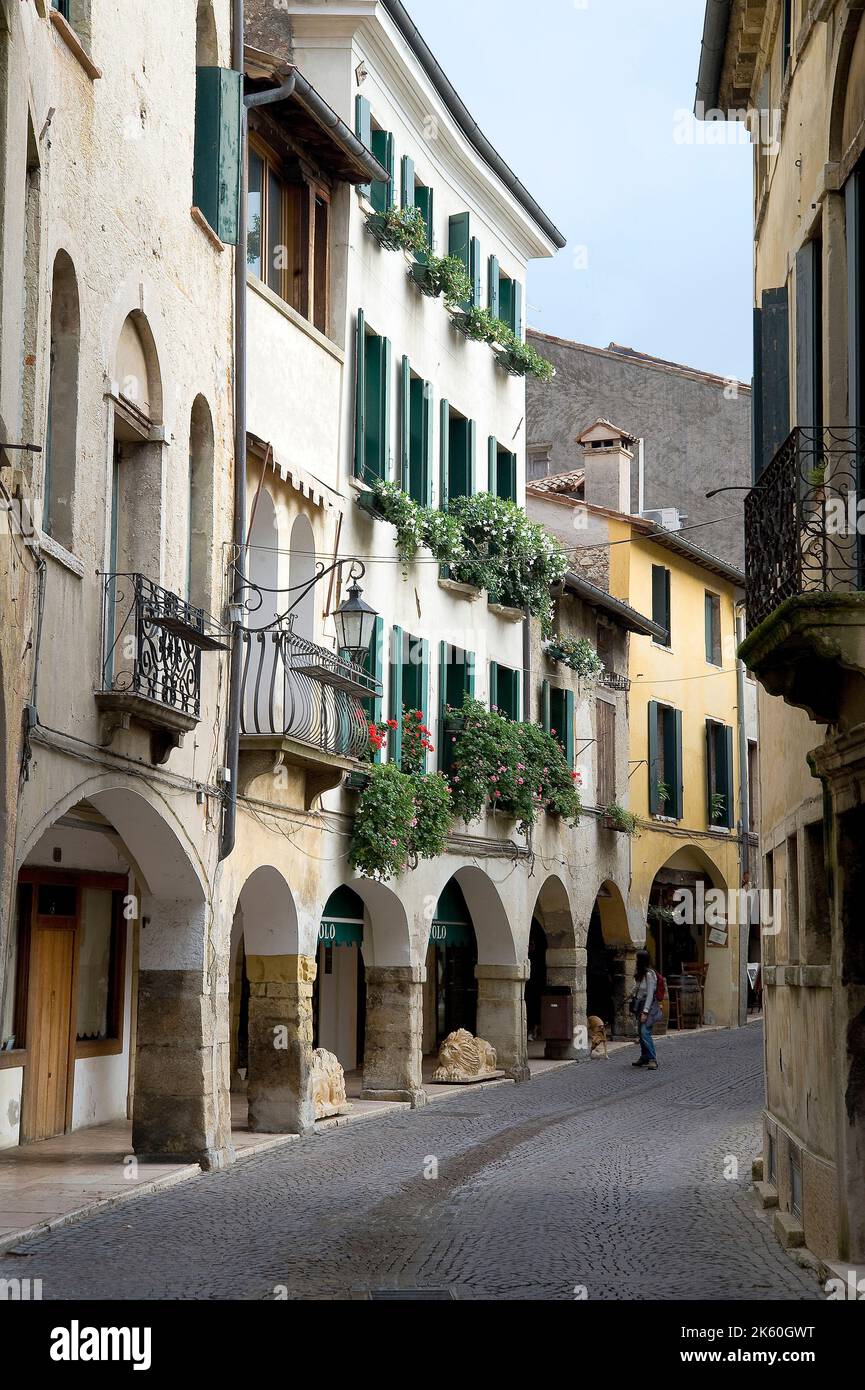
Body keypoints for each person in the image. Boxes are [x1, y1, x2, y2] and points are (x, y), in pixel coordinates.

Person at [631, 950, 660, 1071]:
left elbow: (649, 994)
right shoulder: (641, 973)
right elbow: (637, 988)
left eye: (637, 959)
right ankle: (644, 1057)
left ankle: (653, 1059)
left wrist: (646, 1011)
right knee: (640, 1032)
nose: (635, 961)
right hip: (640, 1004)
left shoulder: (649, 974)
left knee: (644, 1032)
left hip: (647, 1005)